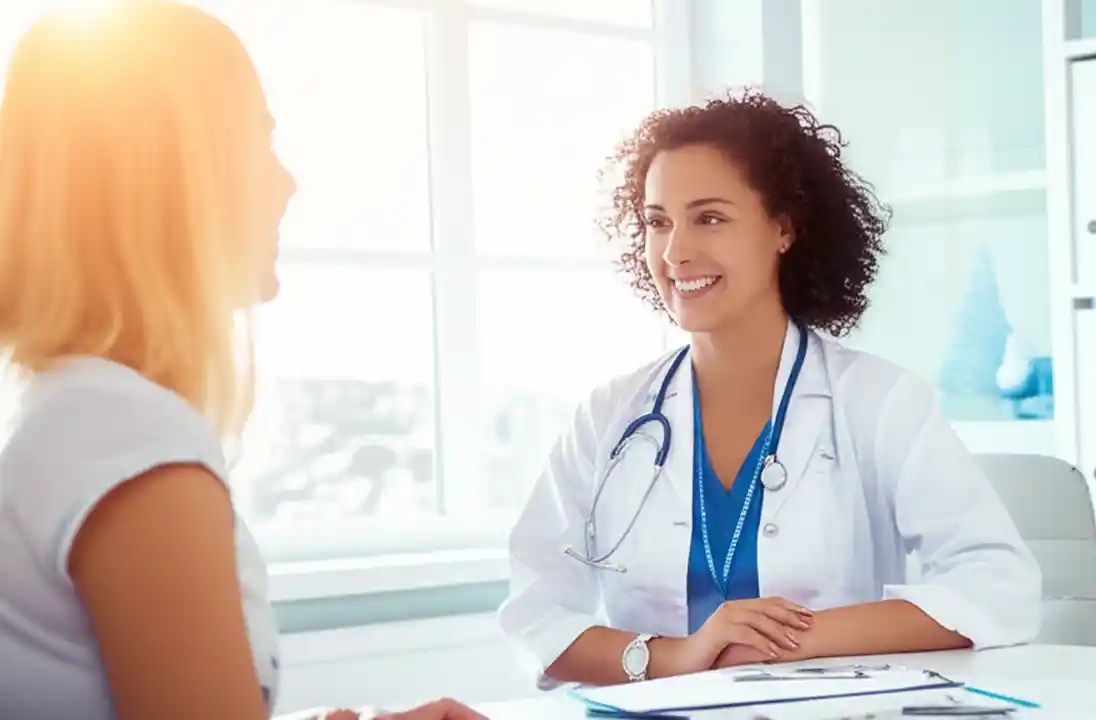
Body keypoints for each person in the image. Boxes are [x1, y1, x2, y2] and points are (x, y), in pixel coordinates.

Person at [0, 3, 482, 719]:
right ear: (175, 176)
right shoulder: (130, 443)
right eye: (259, 142)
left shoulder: (74, 413)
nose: (286, 184)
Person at [499, 90, 1042, 687]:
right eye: (658, 222)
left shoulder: (879, 401)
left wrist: (784, 641)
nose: (675, 252)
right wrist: (679, 656)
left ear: (783, 228)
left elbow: (998, 584)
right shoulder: (609, 417)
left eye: (709, 217)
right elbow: (537, 616)